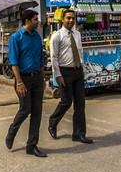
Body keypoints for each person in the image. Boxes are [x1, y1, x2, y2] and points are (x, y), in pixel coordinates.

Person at [6, 9, 46, 157]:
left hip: (37, 78)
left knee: (37, 111)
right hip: (23, 78)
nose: (38, 22)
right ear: (27, 21)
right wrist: (19, 82)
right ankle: (12, 131)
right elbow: (13, 62)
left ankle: (32, 145)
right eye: (36, 19)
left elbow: (41, 59)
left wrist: (42, 79)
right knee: (25, 109)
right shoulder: (16, 38)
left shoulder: (37, 37)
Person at [48, 9, 92, 144]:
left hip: (78, 71)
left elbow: (80, 52)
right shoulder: (57, 36)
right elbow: (54, 57)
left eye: (73, 18)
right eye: (68, 18)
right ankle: (52, 123)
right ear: (63, 19)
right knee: (66, 102)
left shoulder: (78, 34)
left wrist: (83, 69)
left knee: (80, 103)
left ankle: (79, 133)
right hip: (64, 73)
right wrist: (58, 75)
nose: (71, 21)